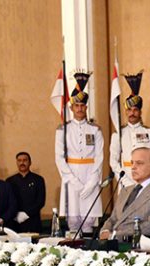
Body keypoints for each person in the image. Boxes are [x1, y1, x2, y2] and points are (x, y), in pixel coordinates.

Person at [54, 71, 104, 232]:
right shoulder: (63, 129)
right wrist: (73, 181)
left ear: (86, 107)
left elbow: (99, 156)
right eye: (77, 105)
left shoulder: (95, 129)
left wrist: (93, 181)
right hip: (71, 176)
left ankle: (88, 244)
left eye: (82, 105)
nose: (80, 108)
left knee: (89, 219)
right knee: (73, 220)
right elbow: (59, 158)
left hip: (90, 174)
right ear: (71, 107)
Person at [99, 147, 150, 240]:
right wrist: (105, 231)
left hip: (132, 244)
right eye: (132, 163)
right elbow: (112, 219)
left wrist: (114, 235)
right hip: (110, 243)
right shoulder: (125, 191)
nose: (133, 167)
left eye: (139, 163)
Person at [110, 72, 150, 189]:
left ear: (140, 112)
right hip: (125, 182)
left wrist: (148, 182)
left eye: (135, 110)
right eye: (129, 110)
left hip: (146, 182)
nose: (132, 113)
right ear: (126, 112)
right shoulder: (118, 133)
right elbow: (113, 161)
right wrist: (125, 181)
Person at [6, 151, 46, 233]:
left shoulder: (38, 180)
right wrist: (15, 214)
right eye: (19, 160)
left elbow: (40, 201)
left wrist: (26, 214)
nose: (22, 163)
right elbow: (7, 201)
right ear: (16, 162)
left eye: (25, 160)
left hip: (33, 221)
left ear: (30, 162)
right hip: (15, 222)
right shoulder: (9, 181)